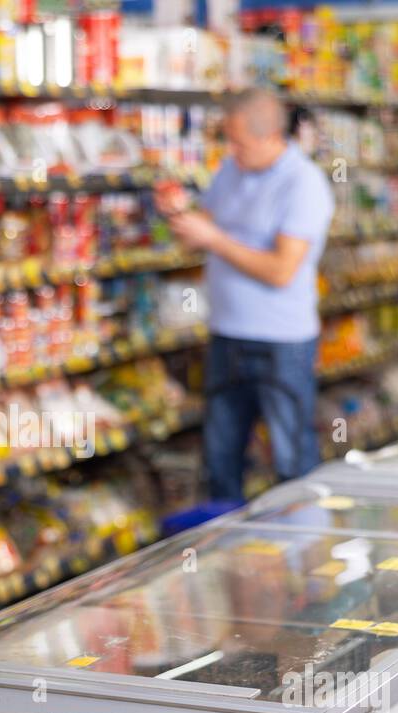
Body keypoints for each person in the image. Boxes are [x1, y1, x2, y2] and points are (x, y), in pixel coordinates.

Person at [160, 88, 334, 500]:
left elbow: (281, 270)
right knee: (220, 457)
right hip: (227, 336)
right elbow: (202, 229)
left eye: (239, 141)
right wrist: (178, 214)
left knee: (292, 459)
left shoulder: (303, 184)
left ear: (271, 135)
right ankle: (227, 556)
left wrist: (215, 239)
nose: (231, 149)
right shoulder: (231, 170)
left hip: (281, 343)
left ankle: (303, 551)